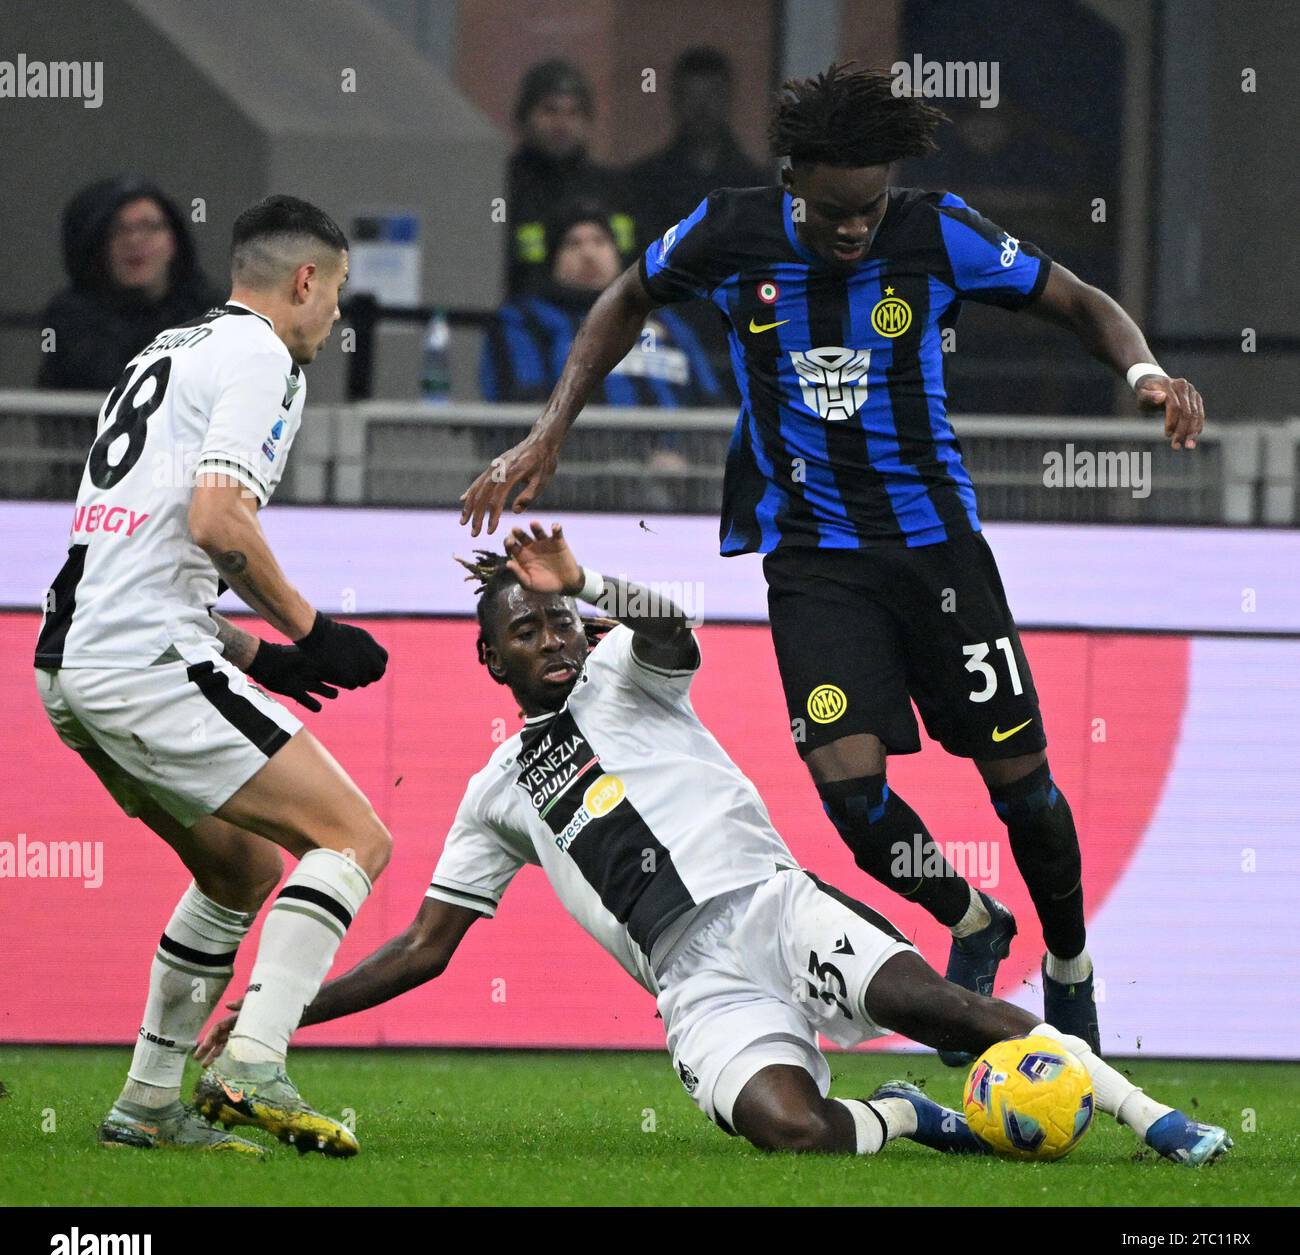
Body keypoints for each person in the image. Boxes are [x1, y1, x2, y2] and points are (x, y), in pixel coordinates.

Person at [458, 65, 1209, 1064]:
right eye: (835, 208)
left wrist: (1145, 372)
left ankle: (1068, 963)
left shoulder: (936, 228)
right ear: (793, 179)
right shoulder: (731, 229)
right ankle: (971, 915)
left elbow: (1073, 298)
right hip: (812, 557)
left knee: (1019, 782)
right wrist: (549, 431)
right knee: (853, 797)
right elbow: (626, 296)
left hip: (936, 548)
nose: (857, 227)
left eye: (871, 206)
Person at [197, 523, 1230, 1167]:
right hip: (695, 983)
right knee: (790, 1131)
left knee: (950, 1008)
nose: (554, 637)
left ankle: (1149, 1118)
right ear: (489, 656)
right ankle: (911, 1114)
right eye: (529, 629)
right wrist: (285, 1007)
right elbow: (422, 950)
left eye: (562, 620)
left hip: (774, 910)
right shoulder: (494, 794)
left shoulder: (621, 674)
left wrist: (591, 578)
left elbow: (673, 632)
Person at [34, 195, 392, 1157]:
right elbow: (217, 522)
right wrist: (313, 631)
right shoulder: (264, 357)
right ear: (305, 281)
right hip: (140, 659)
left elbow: (147, 549)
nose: (335, 320)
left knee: (241, 867)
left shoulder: (168, 352)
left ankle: (148, 1103)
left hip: (70, 660)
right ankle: (251, 1060)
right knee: (354, 836)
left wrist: (260, 657)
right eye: (338, 295)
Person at [481, 205, 725, 411]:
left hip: (676, 466)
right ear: (553, 260)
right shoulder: (524, 320)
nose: (588, 253)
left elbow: (711, 402)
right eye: (572, 244)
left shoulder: (664, 320)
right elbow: (521, 406)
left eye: (600, 241)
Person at [37, 176, 221, 392]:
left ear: (174, 241)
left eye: (149, 226)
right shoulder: (71, 317)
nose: (134, 240)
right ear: (95, 246)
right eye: (118, 229)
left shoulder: (213, 312)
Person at [504, 60, 635, 298]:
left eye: (573, 112)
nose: (562, 124)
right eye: (550, 110)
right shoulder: (503, 187)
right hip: (526, 322)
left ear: (588, 121)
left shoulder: (614, 189)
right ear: (524, 117)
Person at [621, 46, 769, 251]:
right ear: (676, 101)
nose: (703, 106)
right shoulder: (644, 183)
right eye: (693, 95)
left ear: (727, 99)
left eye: (712, 94)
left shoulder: (756, 186)